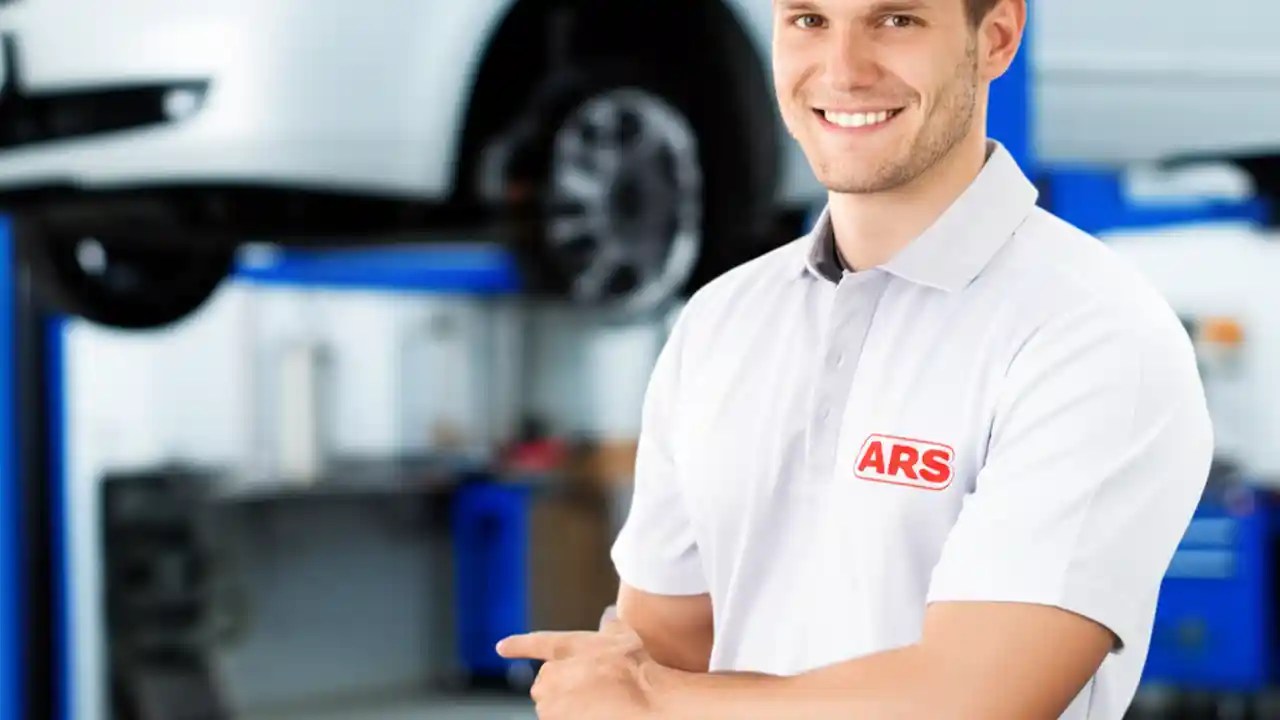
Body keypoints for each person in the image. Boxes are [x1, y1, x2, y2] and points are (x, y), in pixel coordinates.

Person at [497, 0, 1214, 717]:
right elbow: (663, 645)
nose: (843, 70)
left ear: (994, 39)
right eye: (809, 20)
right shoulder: (720, 323)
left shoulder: (1092, 332)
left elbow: (976, 699)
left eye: (894, 20)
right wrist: (628, 689)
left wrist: (654, 697)